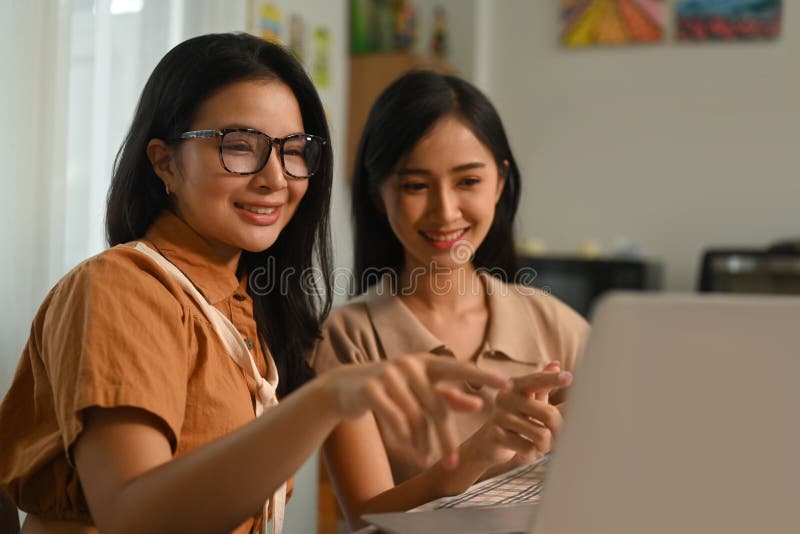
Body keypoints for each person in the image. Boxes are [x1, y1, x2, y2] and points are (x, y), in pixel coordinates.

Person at [0, 34, 511, 534]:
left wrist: (478, 453)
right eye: (240, 146)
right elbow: (133, 516)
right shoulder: (121, 286)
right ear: (164, 162)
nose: (275, 178)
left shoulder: (251, 303)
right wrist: (323, 401)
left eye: (294, 150)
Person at [309, 70, 590, 528]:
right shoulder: (346, 340)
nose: (445, 211)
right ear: (379, 195)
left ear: (499, 183)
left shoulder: (558, 326)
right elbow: (366, 516)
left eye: (467, 182)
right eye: (416, 185)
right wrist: (475, 455)